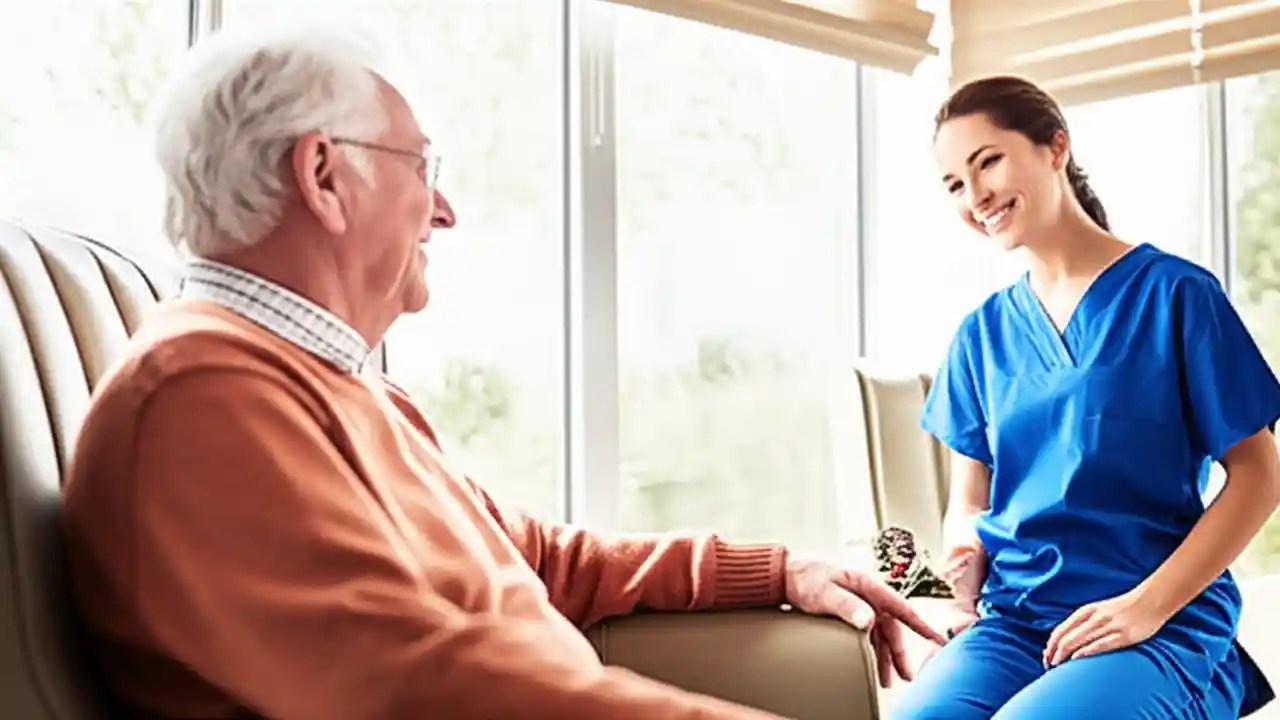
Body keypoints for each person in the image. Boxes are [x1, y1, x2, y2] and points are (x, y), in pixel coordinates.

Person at [59, 24, 943, 720]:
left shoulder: (340, 383)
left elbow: (538, 558)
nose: (443, 209)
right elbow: (413, 692)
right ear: (324, 176)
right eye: (421, 166)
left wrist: (778, 569)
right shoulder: (199, 398)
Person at [889, 74, 1280, 719]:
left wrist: (1145, 607)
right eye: (955, 183)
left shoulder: (1176, 295)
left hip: (1155, 617)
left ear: (1054, 148)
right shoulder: (982, 333)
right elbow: (970, 500)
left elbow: (1259, 476)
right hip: (1015, 622)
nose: (976, 195)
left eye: (988, 161)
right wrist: (961, 566)